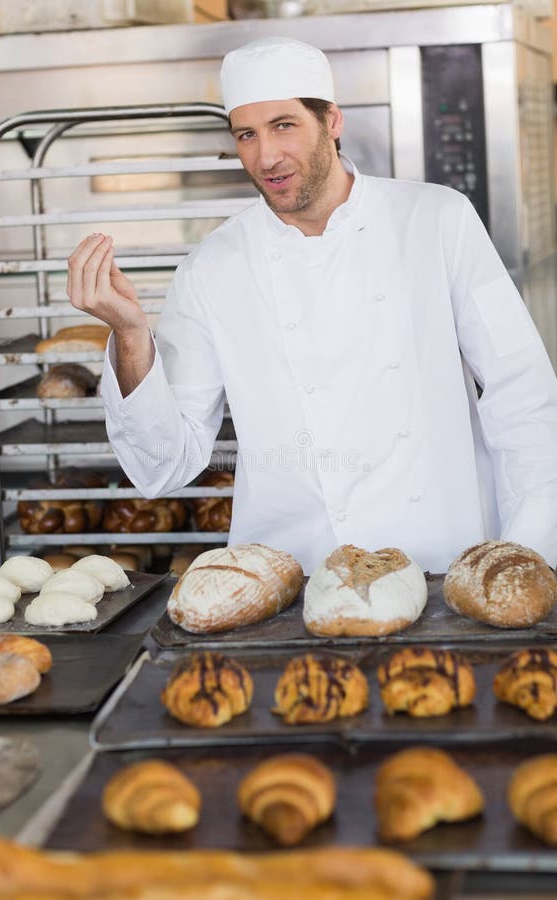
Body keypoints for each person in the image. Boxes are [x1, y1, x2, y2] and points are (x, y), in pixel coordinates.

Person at [67, 36, 557, 574]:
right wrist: (133, 335)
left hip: (440, 560)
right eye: (246, 135)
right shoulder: (211, 267)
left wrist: (531, 555)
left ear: (332, 122)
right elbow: (165, 464)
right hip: (295, 577)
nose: (265, 156)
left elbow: (523, 396)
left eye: (284, 126)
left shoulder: (438, 220)